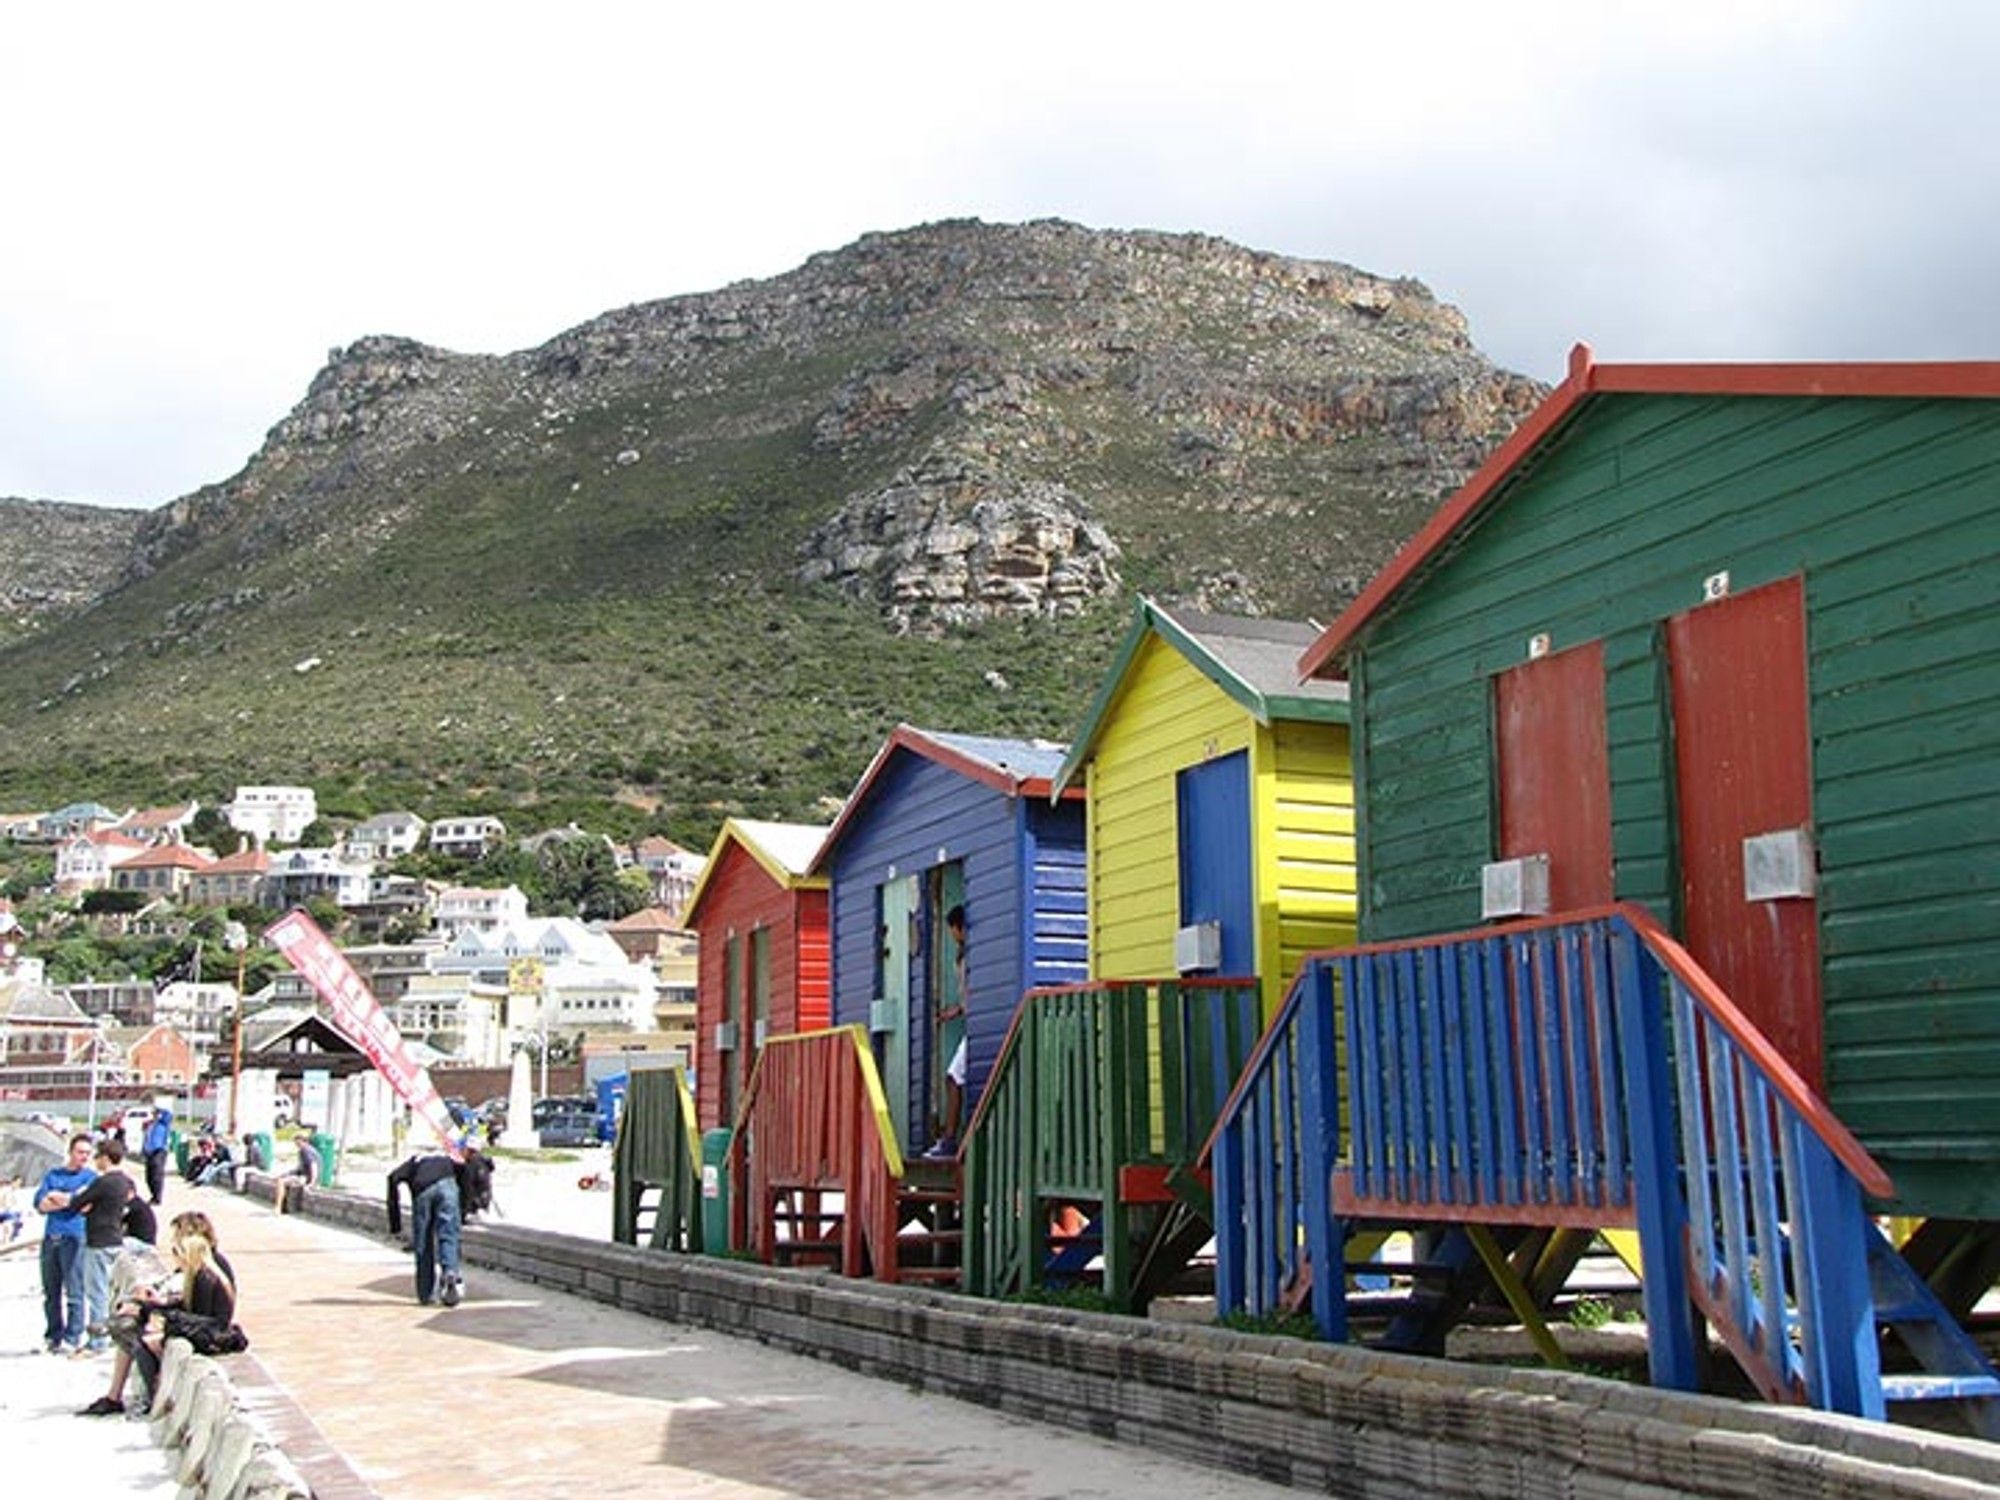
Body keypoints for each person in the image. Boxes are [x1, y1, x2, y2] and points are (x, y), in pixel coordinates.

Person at [80, 1210, 238, 1418]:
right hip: (203, 1327)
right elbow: (187, 1307)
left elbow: (204, 1318)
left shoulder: (206, 1272)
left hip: (213, 1333)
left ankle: (153, 1398)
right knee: (137, 1328)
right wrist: (153, 1306)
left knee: (147, 1339)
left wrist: (157, 1311)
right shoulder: (202, 1265)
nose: (173, 1249)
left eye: (176, 1244)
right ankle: (120, 1395)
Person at [67, 1136, 138, 1352]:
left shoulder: (103, 1182)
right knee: (111, 1292)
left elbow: (76, 1203)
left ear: (106, 1158)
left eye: (98, 1156)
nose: (95, 1160)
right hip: (116, 1239)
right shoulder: (124, 1182)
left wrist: (80, 1204)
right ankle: (110, 1336)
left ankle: (97, 1341)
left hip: (98, 1241)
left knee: (97, 1293)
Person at [32, 1133, 96, 1354]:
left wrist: (59, 1198)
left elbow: (86, 1206)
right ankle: (53, 1334)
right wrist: (69, 1200)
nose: (84, 1157)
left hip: (75, 1238)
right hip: (52, 1237)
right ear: (70, 1152)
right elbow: (41, 1205)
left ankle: (73, 1335)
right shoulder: (53, 1175)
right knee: (51, 1291)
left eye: (88, 1153)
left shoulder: (90, 1178)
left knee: (75, 1290)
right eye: (80, 1152)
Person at [386, 1147, 463, 1306]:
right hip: (447, 1185)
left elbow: (392, 1178)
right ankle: (450, 1271)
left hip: (423, 1190)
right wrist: (466, 1208)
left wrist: (395, 1224)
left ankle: (426, 1294)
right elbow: (466, 1173)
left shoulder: (414, 1161)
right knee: (448, 1235)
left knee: (423, 1243)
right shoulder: (448, 1157)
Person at [925, 904, 970, 1157]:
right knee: (956, 1076)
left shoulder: (968, 956)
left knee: (953, 1077)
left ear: (958, 928)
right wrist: (955, 1010)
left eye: (953, 930)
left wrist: (961, 1009)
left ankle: (950, 1139)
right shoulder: (964, 955)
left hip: (977, 1029)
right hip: (974, 1023)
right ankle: (951, 1138)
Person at [141, 1100, 173, 1208]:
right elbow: (146, 1138)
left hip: (159, 1150)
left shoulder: (163, 1123)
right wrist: (143, 1149)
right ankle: (153, 1194)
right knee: (148, 1176)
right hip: (149, 1151)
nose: (154, 1115)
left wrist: (160, 1109)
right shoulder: (150, 1125)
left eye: (156, 1113)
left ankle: (157, 1197)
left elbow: (168, 1115)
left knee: (157, 1174)